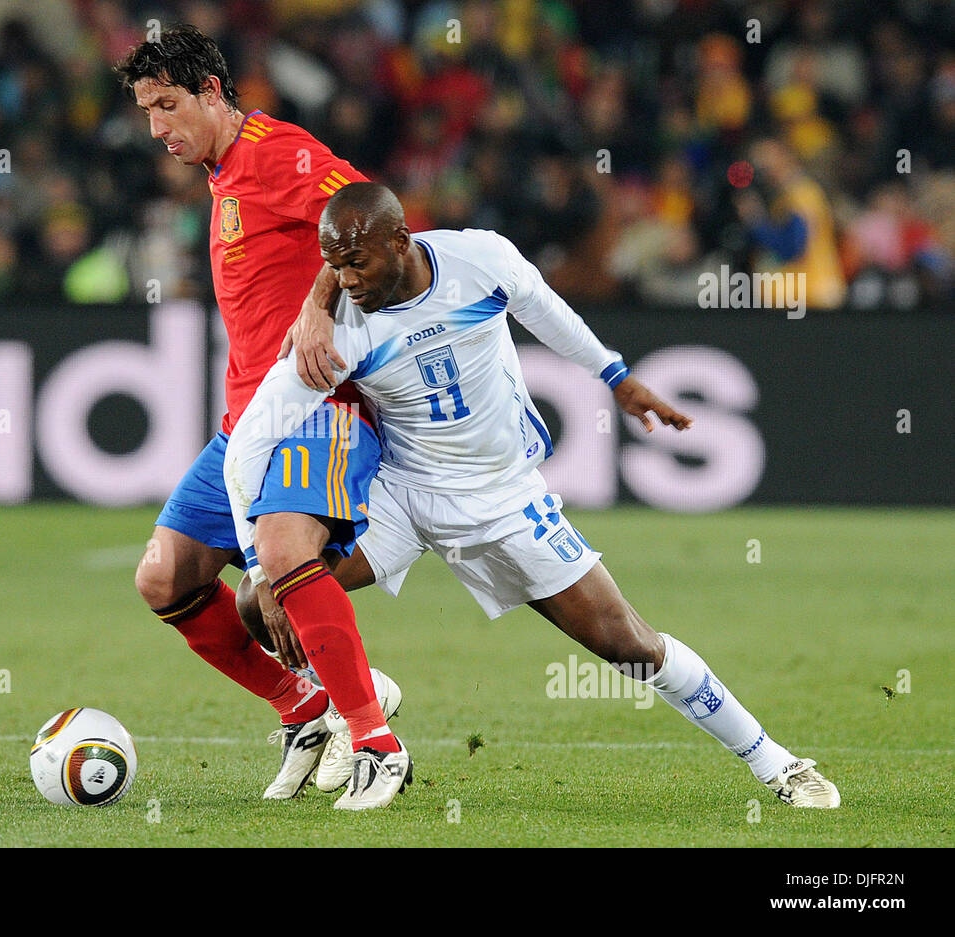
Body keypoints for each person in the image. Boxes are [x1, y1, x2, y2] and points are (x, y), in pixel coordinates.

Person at [226, 181, 841, 811]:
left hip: (503, 500)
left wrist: (616, 376)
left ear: (401, 242)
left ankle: (780, 766)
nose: (346, 280)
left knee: (630, 646)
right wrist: (256, 560)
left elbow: (544, 309)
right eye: (335, 266)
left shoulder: (480, 260)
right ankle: (352, 705)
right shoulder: (332, 336)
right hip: (401, 495)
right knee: (259, 599)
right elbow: (248, 443)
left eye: (358, 263)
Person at [114, 25, 401, 800]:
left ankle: (376, 741)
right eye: (146, 112)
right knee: (163, 577)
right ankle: (304, 707)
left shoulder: (276, 152)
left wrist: (318, 306)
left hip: (321, 408)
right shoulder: (220, 172)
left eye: (168, 106)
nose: (157, 129)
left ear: (213, 92)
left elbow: (373, 216)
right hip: (245, 424)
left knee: (280, 555)